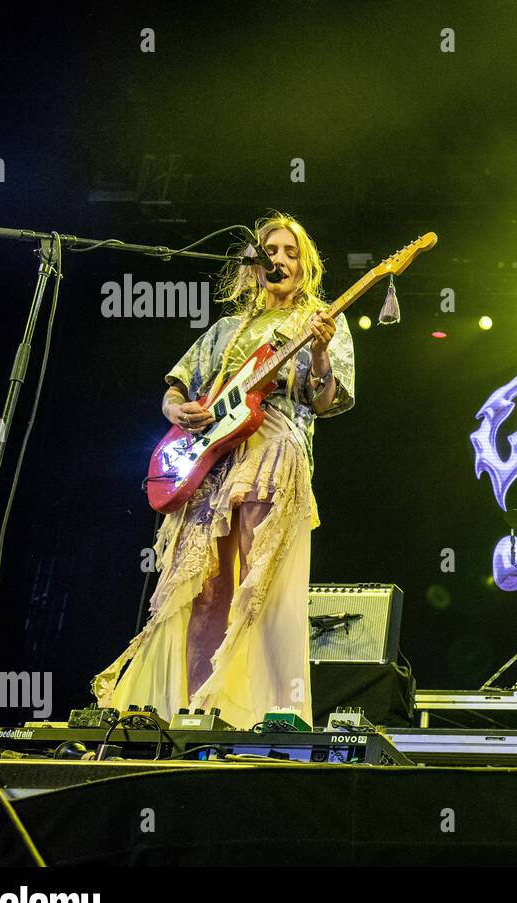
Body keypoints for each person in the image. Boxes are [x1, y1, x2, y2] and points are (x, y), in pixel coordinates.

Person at [92, 212, 355, 730]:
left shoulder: (322, 319)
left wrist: (320, 350)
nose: (278, 258)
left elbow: (325, 402)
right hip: (212, 461)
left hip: (274, 452)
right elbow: (179, 384)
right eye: (269, 250)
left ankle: (265, 715)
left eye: (290, 251)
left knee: (261, 583)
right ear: (252, 264)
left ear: (305, 265)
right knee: (206, 589)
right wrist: (174, 408)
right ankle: (194, 715)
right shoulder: (226, 329)